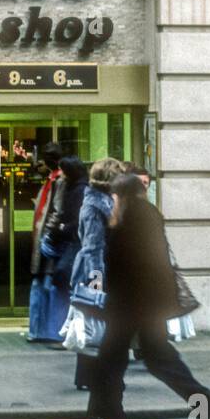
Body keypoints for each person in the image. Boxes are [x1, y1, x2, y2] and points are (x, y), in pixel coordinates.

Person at [88, 173, 210, 419]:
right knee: (159, 357)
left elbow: (121, 263)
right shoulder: (148, 215)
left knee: (111, 359)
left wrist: (103, 288)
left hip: (130, 303)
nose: (112, 201)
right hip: (147, 302)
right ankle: (203, 402)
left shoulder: (129, 220)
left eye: (114, 196)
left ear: (122, 195)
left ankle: (111, 415)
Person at [70, 156, 126, 392]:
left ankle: (91, 377)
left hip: (104, 268)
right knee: (96, 326)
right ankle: (92, 377)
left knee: (100, 325)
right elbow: (92, 245)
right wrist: (96, 281)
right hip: (97, 269)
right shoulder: (94, 205)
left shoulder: (101, 200)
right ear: (109, 178)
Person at [40, 155, 87, 346]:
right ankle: (65, 331)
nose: (62, 175)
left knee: (66, 284)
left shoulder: (79, 190)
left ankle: (68, 332)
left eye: (64, 171)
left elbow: (76, 221)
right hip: (70, 243)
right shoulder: (74, 188)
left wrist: (60, 229)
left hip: (74, 244)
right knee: (65, 285)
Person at [27, 142, 63, 341]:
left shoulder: (59, 181)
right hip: (43, 239)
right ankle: (38, 329)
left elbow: (56, 211)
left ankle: (46, 330)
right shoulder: (51, 180)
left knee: (46, 284)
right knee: (41, 283)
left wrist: (48, 233)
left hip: (48, 242)